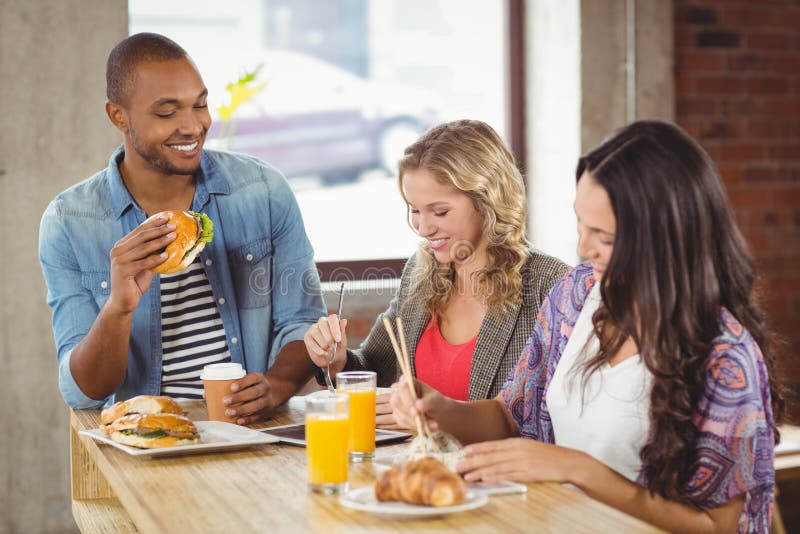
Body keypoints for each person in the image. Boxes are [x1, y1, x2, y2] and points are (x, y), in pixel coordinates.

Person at [391, 120, 784, 532]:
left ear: (666, 235)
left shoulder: (724, 355)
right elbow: (511, 415)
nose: (582, 248)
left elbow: (721, 527)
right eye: (581, 225)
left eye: (605, 237)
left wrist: (580, 471)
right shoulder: (576, 294)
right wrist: (442, 410)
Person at [38, 33, 325, 423]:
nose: (192, 126)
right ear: (118, 116)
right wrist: (118, 308)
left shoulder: (263, 190)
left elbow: (302, 321)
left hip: (252, 431)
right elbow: (85, 392)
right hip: (147, 440)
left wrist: (275, 385)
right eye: (167, 113)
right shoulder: (69, 222)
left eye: (200, 105)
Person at [304, 120, 569, 429]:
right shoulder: (420, 272)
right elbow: (375, 366)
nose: (423, 228)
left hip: (501, 474)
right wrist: (337, 362)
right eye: (414, 210)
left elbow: (550, 421)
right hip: (417, 470)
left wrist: (439, 417)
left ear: (488, 200)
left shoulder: (550, 285)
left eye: (440, 212)